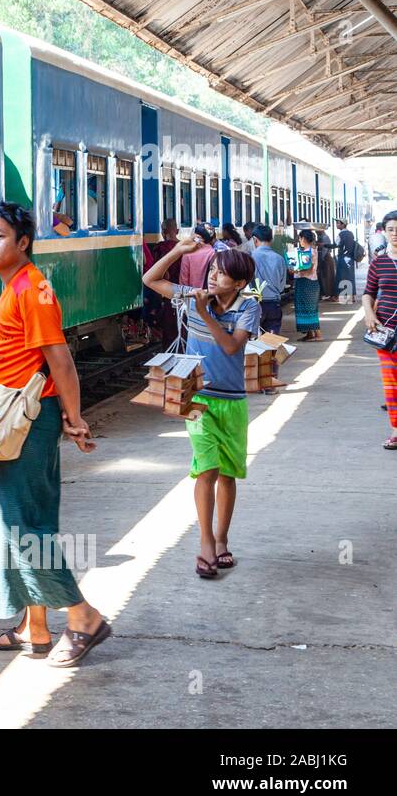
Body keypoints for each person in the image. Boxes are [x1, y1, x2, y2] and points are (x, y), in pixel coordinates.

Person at [0, 203, 109, 667]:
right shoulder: (15, 286)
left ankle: (83, 616)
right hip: (10, 421)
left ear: (23, 242)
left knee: (22, 524)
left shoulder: (33, 289)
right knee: (6, 511)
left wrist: (74, 419)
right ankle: (35, 626)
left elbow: (61, 359)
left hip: (27, 421)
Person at [145, 238, 260, 580]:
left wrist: (201, 314)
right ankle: (206, 543)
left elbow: (230, 346)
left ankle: (223, 541)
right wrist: (179, 252)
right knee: (206, 469)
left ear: (239, 284)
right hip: (199, 399)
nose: (212, 277)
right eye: (212, 270)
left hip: (233, 401)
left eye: (221, 275)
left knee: (227, 473)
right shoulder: (192, 295)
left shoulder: (247, 307)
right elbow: (151, 279)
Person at [362, 210, 397, 450]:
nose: (395, 234)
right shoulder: (379, 262)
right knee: (391, 384)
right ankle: (396, 431)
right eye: (391, 229)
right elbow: (368, 292)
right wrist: (369, 313)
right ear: (384, 232)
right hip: (386, 332)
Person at [250, 224, 287, 390]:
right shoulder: (279, 258)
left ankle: (254, 381)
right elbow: (281, 286)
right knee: (272, 343)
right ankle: (270, 382)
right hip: (273, 304)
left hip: (254, 305)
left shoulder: (250, 257)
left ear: (255, 240)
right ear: (271, 240)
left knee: (255, 343)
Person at [145, 219, 182, 345]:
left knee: (169, 326)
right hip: (183, 291)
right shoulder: (183, 248)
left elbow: (162, 274)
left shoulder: (161, 248)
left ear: (163, 231)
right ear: (177, 231)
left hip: (167, 291)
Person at [293, 228, 322, 341]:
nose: (299, 240)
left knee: (309, 309)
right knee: (307, 309)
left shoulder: (308, 252)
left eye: (300, 238)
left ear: (304, 239)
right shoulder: (311, 251)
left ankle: (318, 334)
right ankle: (310, 334)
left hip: (307, 283)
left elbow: (308, 270)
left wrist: (295, 270)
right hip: (309, 283)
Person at [179, 223, 216, 287]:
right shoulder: (214, 253)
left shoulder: (187, 254)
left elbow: (183, 280)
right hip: (208, 294)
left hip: (191, 294)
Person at [334, 219, 358, 301]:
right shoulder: (351, 233)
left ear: (343, 224)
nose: (336, 225)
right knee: (351, 277)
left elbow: (335, 244)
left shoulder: (341, 234)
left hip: (343, 258)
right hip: (350, 258)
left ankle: (340, 297)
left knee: (341, 277)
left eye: (338, 223)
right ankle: (353, 296)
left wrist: (325, 245)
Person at [318, 224, 338, 302]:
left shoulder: (324, 237)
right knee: (326, 277)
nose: (316, 232)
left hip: (326, 259)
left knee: (328, 277)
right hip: (325, 259)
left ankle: (329, 294)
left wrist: (321, 259)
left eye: (317, 230)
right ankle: (328, 294)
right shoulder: (321, 237)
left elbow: (325, 250)